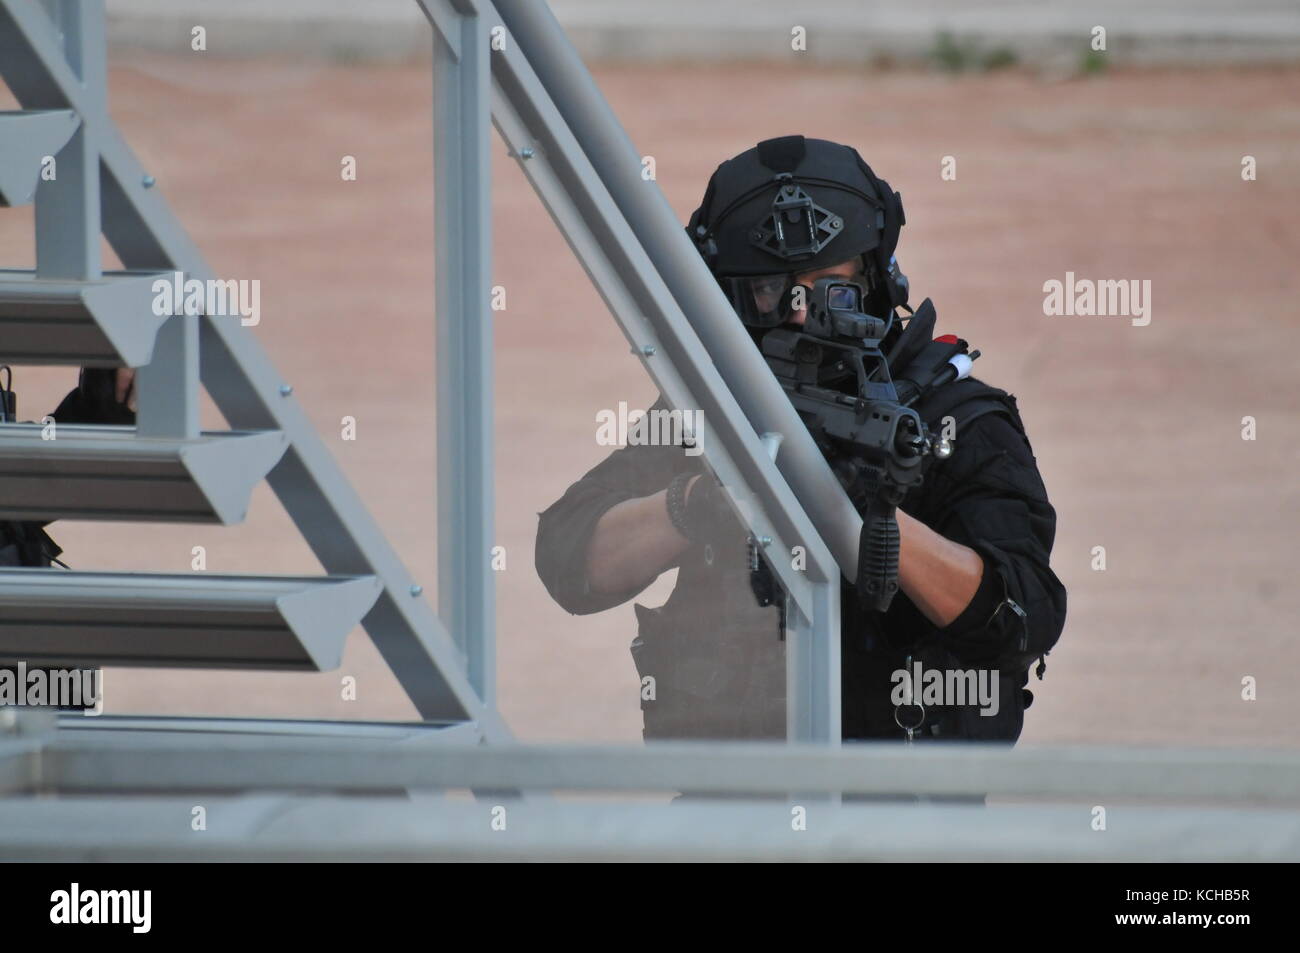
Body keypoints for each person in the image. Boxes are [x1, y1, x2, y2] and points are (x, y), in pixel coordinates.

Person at [534, 136, 1066, 744]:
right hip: (731, 803)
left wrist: (865, 513)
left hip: (909, 810)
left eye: (829, 287)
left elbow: (1024, 616)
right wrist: (698, 503)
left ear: (875, 278)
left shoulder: (954, 417)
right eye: (771, 291)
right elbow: (568, 561)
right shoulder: (713, 412)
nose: (800, 314)